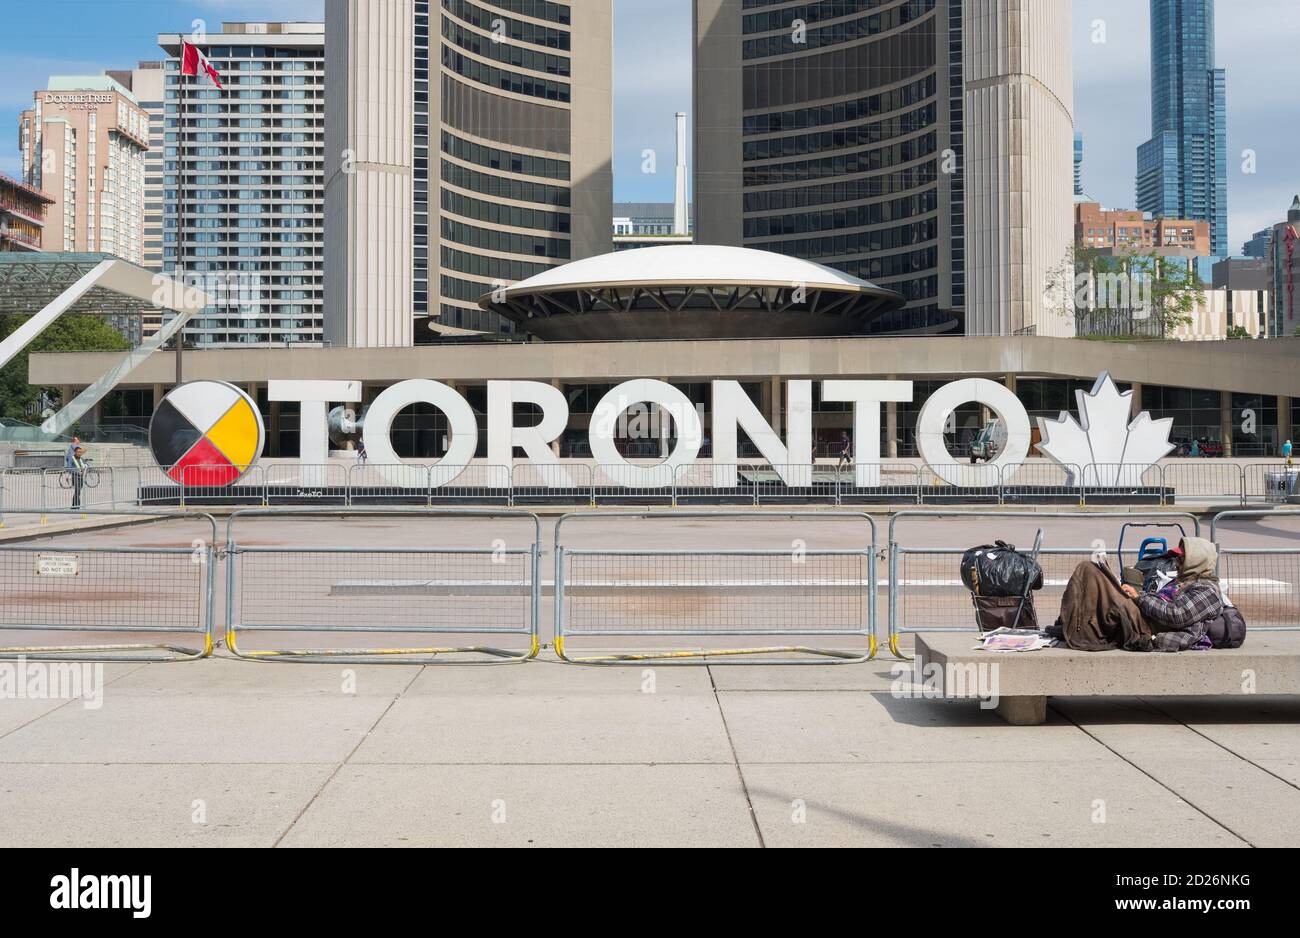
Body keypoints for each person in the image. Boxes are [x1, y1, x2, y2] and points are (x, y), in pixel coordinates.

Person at [1119, 536, 1223, 652]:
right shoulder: (1184, 581)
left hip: (1146, 628)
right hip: (1142, 621)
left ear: (1196, 561)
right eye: (1176, 559)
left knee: (1102, 583)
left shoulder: (1208, 592)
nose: (1176, 563)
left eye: (1181, 559)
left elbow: (1177, 614)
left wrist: (1139, 598)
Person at [68, 445, 87, 509]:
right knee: (77, 491)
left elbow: (87, 465)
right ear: (75, 452)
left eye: (80, 452)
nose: (79, 453)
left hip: (81, 477)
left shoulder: (81, 459)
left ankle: (73, 506)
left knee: (78, 491)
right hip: (75, 476)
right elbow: (69, 468)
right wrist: (77, 472)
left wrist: (86, 466)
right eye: (78, 452)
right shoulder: (71, 458)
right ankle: (78, 505)